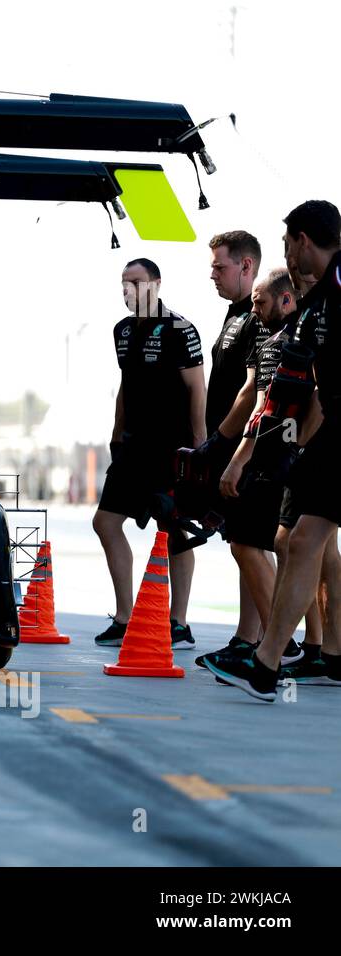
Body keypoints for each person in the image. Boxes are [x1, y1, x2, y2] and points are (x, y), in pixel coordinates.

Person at [207, 200, 341, 699]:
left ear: (303, 240)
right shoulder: (313, 304)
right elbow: (285, 386)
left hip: (331, 431)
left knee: (305, 543)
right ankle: (291, 663)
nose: (285, 253)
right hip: (328, 437)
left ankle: (281, 661)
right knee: (301, 542)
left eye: (287, 243)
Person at [92, 258, 204, 648]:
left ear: (156, 284)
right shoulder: (121, 331)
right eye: (123, 282)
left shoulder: (180, 329)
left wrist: (200, 447)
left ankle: (179, 624)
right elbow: (125, 385)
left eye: (136, 282)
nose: (128, 289)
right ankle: (124, 617)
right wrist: (115, 433)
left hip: (173, 448)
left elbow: (197, 390)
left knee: (174, 531)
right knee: (105, 523)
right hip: (132, 446)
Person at [205, 269, 313, 670]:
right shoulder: (281, 339)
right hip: (290, 459)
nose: (254, 309)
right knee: (295, 550)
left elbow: (261, 408)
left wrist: (234, 460)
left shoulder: (287, 344)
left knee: (246, 542)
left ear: (287, 300)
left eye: (260, 302)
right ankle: (311, 648)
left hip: (276, 461)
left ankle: (280, 646)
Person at [199, 231, 272, 650]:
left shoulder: (259, 317)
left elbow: (254, 392)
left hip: (248, 448)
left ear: (246, 266)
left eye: (219, 266)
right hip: (227, 446)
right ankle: (249, 637)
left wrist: (225, 444)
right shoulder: (233, 316)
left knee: (250, 543)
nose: (212, 274)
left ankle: (272, 641)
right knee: (243, 542)